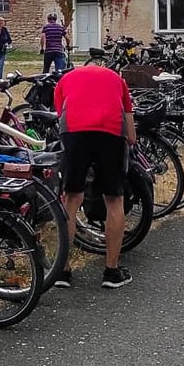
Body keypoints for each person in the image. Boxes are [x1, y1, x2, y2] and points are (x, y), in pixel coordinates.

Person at [53, 64, 137, 289]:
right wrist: (130, 142)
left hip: (74, 131)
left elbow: (60, 113)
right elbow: (130, 132)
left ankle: (62, 271)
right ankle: (111, 271)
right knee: (114, 199)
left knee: (70, 199)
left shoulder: (66, 79)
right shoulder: (118, 81)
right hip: (109, 131)